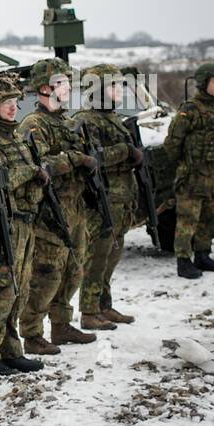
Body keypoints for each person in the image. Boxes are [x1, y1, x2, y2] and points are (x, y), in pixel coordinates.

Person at [18, 58, 100, 353]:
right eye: (62, 82)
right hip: (50, 212)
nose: (68, 87)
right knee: (46, 274)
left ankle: (61, 325)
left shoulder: (66, 121)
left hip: (74, 206)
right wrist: (75, 160)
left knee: (74, 269)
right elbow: (35, 166)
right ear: (45, 88)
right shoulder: (33, 124)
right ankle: (31, 333)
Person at [0, 73, 49, 376]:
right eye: (6, 102)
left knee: (20, 287)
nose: (13, 107)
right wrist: (31, 173)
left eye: (15, 101)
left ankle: (11, 349)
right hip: (5, 222)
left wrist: (37, 173)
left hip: (26, 220)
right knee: (2, 291)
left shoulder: (16, 134)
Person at [72, 64, 145, 328]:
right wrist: (125, 151)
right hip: (102, 198)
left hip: (121, 198)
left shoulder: (112, 117)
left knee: (112, 254)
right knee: (97, 255)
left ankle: (104, 304)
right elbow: (93, 158)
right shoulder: (86, 121)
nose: (119, 90)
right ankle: (89, 312)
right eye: (113, 86)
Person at [163, 62, 214, 279]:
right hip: (192, 175)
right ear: (204, 83)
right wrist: (184, 165)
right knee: (188, 219)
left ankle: (202, 255)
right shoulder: (190, 110)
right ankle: (183, 261)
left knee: (209, 217)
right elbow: (172, 144)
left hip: (213, 173)